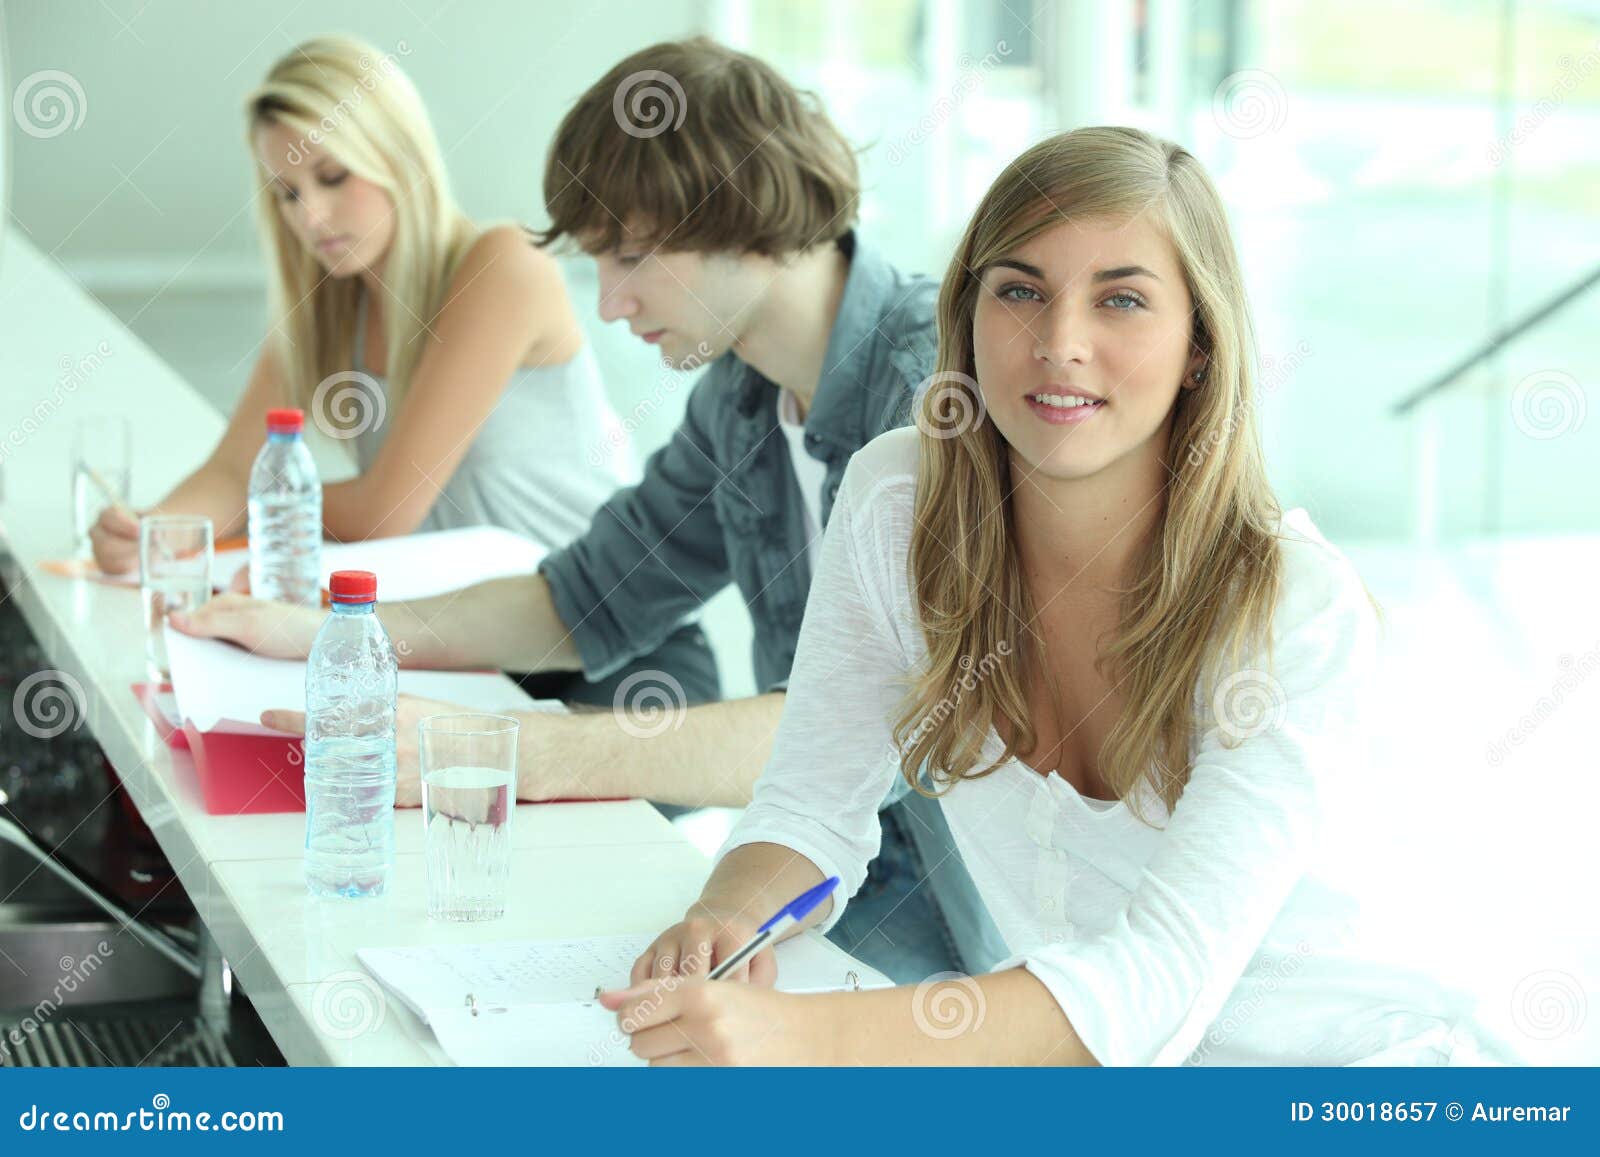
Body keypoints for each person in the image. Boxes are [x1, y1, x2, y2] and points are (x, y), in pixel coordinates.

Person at [596, 126, 1524, 1066]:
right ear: (968, 316)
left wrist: (800, 1037)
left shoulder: (1290, 605)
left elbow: (1155, 982)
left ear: (1200, 344)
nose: (1060, 343)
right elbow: (811, 804)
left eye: (1121, 299)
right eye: (1020, 291)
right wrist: (723, 920)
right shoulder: (895, 501)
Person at [174, 38, 1005, 985]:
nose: (608, 303)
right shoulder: (739, 396)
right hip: (810, 871)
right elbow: (584, 595)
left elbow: (865, 731)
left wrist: (500, 750)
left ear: (746, 216)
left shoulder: (932, 387)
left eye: (633, 257)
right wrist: (333, 628)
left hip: (955, 908)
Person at [89, 35, 717, 709]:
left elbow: (386, 507)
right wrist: (156, 532)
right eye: (287, 193)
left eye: (333, 178)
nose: (310, 216)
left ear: (396, 154)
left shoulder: (501, 264)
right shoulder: (327, 303)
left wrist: (252, 510)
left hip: (614, 652)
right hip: (462, 647)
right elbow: (232, 469)